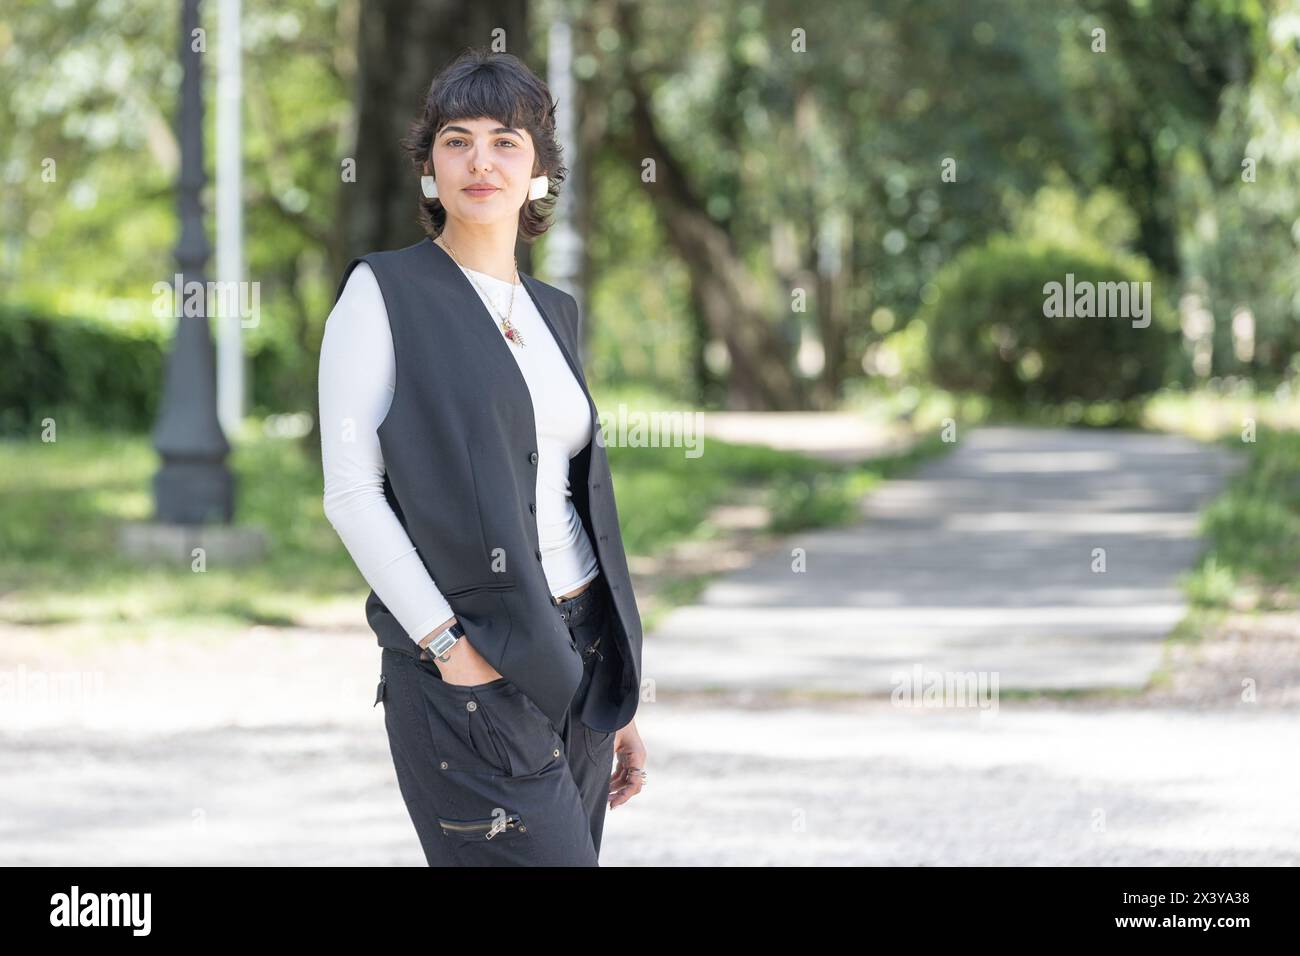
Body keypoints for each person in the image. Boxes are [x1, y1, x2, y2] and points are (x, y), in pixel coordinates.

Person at [318, 48, 647, 865]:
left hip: (582, 646)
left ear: (539, 169)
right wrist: (446, 647)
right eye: (456, 140)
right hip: (466, 658)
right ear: (429, 167)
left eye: (507, 140)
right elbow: (352, 493)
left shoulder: (553, 311)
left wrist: (619, 693)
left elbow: (569, 498)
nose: (480, 161)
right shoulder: (383, 294)